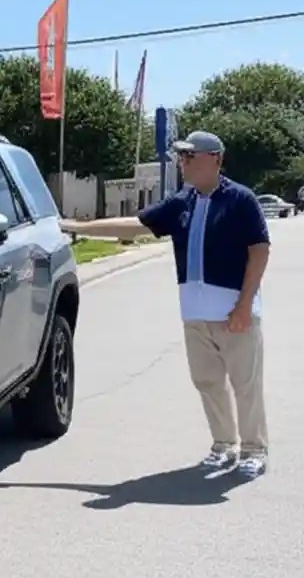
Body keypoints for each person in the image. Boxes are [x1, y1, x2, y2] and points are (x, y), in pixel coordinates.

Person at [61, 131, 271, 478]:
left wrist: (245, 304)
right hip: (195, 313)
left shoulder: (241, 200)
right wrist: (74, 226)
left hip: (235, 311)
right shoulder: (182, 201)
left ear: (215, 158)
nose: (183, 163)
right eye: (182, 157)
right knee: (207, 382)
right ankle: (224, 445)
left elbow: (259, 250)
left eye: (191, 156)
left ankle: (254, 449)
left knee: (245, 384)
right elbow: (135, 225)